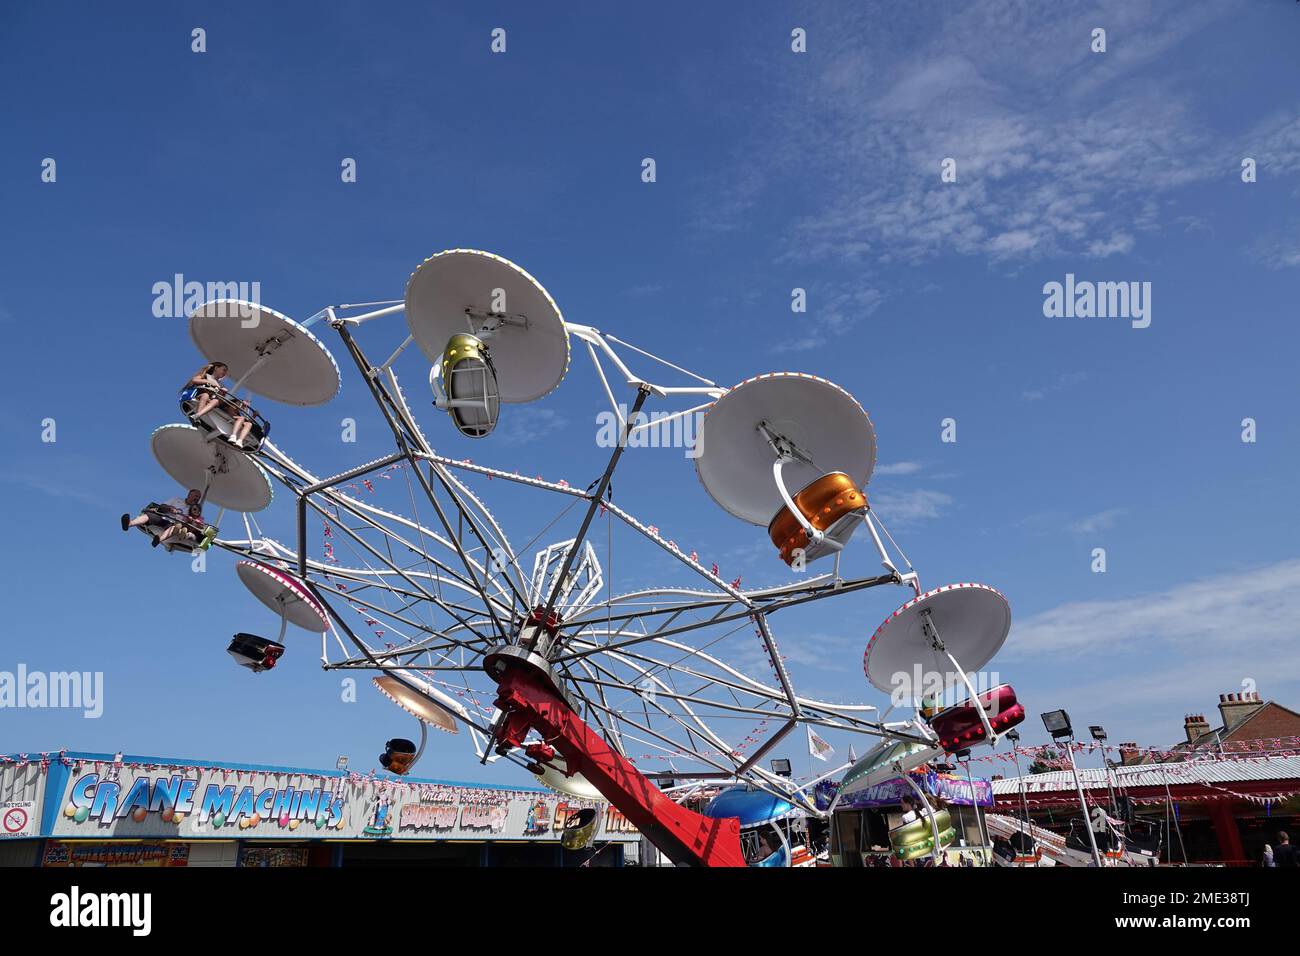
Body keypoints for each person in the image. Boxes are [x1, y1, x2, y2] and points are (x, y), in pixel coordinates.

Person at [181, 362, 255, 447]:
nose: (224, 373)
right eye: (223, 370)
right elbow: (195, 380)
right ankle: (197, 416)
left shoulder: (220, 384)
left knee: (216, 401)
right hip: (201, 396)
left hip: (213, 401)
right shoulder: (206, 376)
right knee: (206, 396)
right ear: (216, 368)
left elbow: (221, 398)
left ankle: (238, 440)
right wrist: (208, 382)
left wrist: (222, 392)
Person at [121, 489, 205, 548]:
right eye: (196, 496)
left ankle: (159, 539)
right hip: (163, 518)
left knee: (175, 527)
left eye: (199, 497)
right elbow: (161, 507)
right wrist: (170, 508)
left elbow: (193, 523)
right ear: (189, 494)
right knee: (149, 515)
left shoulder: (194, 509)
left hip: (174, 525)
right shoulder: (176, 499)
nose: (197, 499)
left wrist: (191, 520)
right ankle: (129, 523)